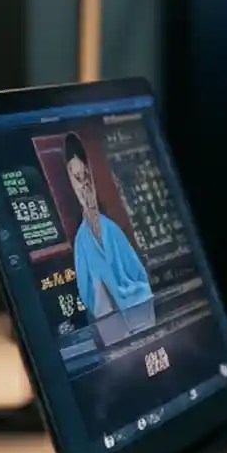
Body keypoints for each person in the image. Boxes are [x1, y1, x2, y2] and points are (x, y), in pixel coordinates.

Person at [66, 131, 154, 321]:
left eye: (85, 175)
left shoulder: (111, 228)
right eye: (76, 177)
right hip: (89, 231)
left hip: (103, 228)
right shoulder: (82, 240)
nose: (83, 183)